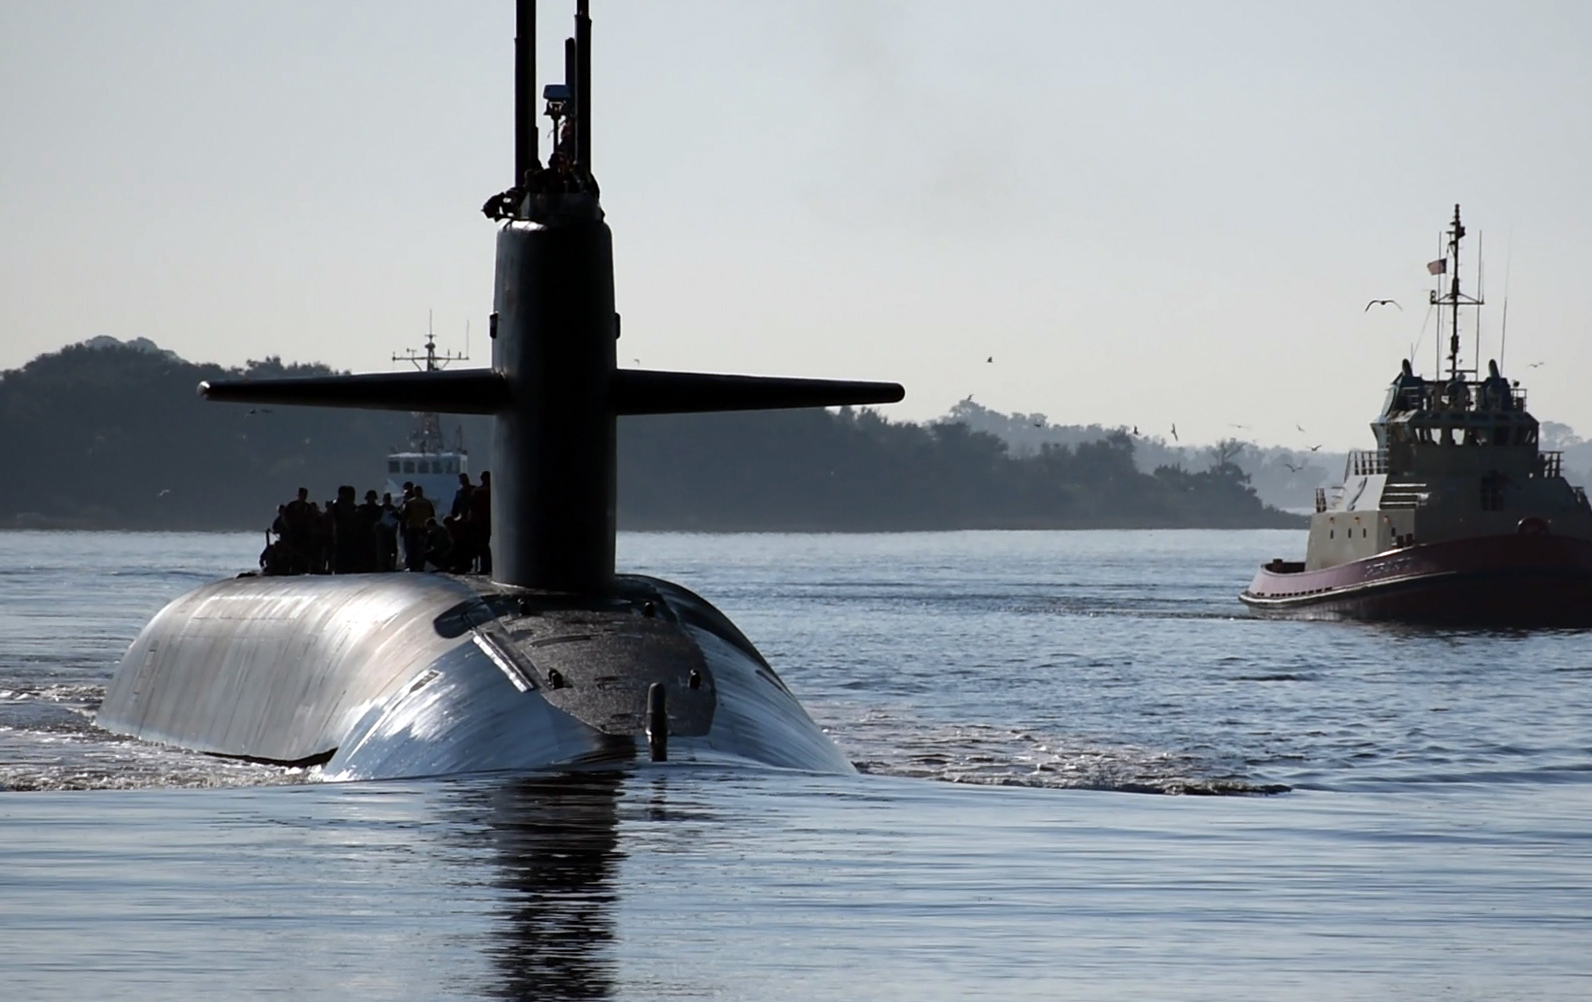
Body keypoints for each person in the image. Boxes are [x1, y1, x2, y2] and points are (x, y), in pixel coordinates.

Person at [401, 485, 436, 572]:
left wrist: (403, 528)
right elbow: (432, 515)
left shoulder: (410, 502)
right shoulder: (427, 502)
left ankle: (411, 565)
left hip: (412, 528)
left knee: (411, 548)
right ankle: (420, 565)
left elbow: (405, 516)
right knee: (422, 548)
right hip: (424, 528)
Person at [469, 470, 492, 573]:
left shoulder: (477, 491)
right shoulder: (492, 491)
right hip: (488, 520)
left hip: (480, 521)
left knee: (482, 545)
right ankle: (486, 566)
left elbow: (472, 508)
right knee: (483, 545)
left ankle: (485, 567)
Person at [377, 492, 400, 571]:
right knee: (383, 550)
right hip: (382, 533)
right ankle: (383, 565)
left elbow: (398, 519)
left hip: (391, 532)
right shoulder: (380, 509)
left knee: (392, 550)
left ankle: (391, 566)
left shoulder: (393, 509)